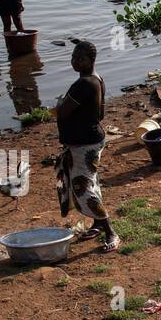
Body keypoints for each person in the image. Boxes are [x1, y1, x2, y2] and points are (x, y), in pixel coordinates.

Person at [55, 40, 119, 252]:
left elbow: (63, 112)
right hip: (92, 139)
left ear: (91, 60)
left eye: (80, 59)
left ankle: (110, 232)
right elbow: (100, 114)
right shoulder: (96, 79)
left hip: (85, 143)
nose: (75, 62)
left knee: (83, 188)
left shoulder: (83, 85)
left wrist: (59, 103)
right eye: (73, 57)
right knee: (92, 182)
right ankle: (98, 224)